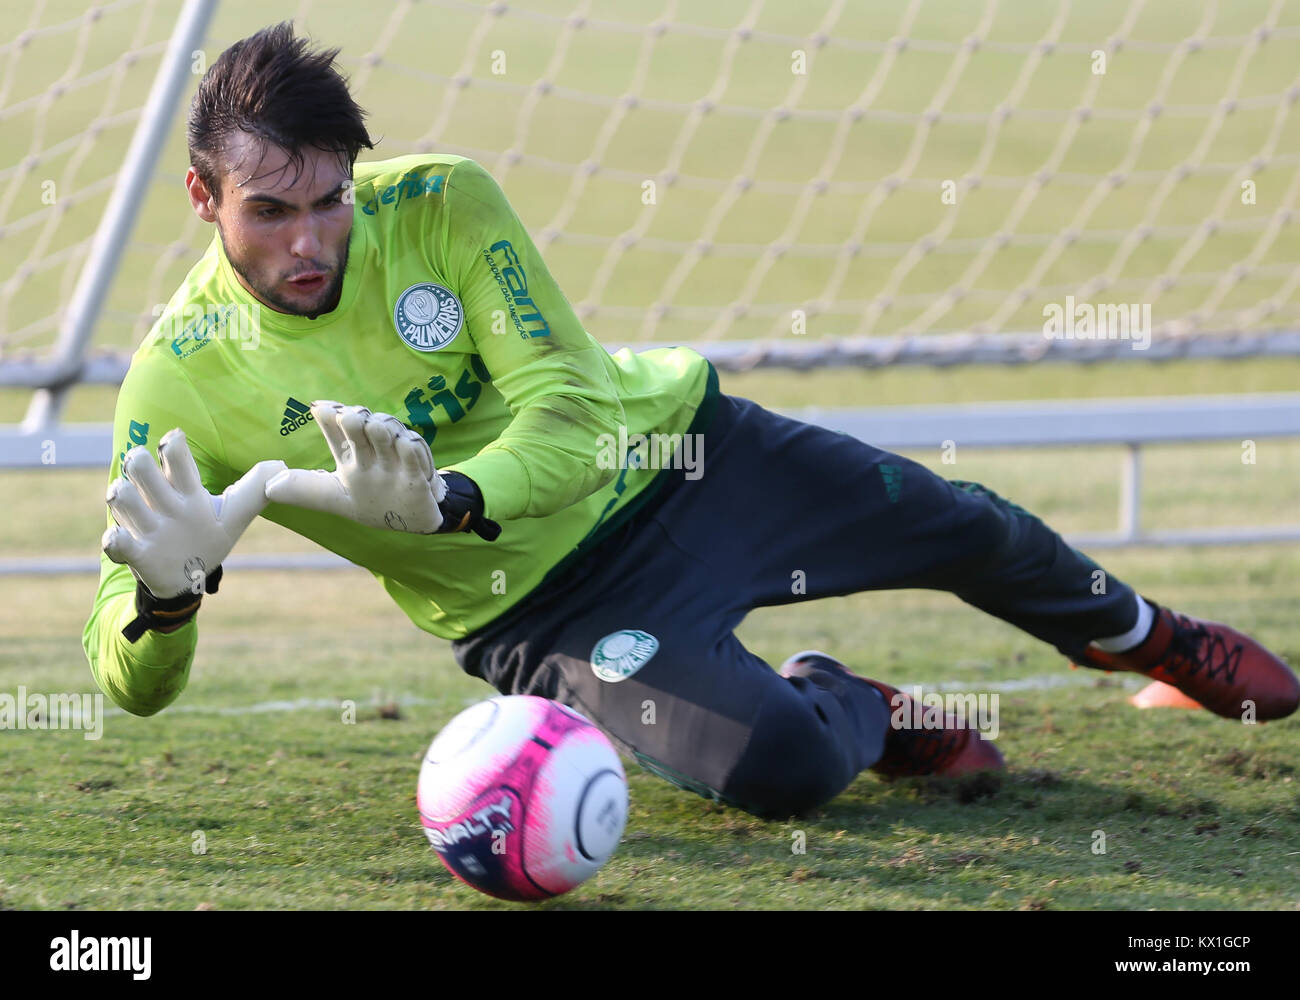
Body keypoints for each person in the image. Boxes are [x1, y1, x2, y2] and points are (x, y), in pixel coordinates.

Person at [84, 23, 1298, 820]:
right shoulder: (176, 391)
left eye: (332, 201)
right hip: (543, 611)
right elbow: (128, 679)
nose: (311, 241)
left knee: (963, 527)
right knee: (780, 773)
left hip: (680, 456)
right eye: (270, 210)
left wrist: (453, 496)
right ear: (202, 197)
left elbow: (572, 412)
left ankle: (1150, 641)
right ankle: (851, 701)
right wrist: (168, 598)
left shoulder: (443, 202)